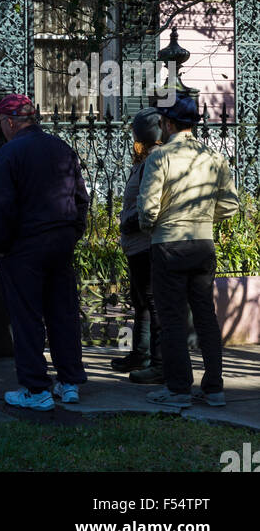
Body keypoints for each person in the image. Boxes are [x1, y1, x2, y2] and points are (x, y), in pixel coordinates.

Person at [0, 94, 89, 412]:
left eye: (0, 122)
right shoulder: (61, 147)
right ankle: (69, 382)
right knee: (63, 312)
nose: (0, 127)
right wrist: (72, 233)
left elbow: (1, 207)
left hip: (24, 246)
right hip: (60, 242)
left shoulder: (9, 153)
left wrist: (0, 245)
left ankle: (36, 388)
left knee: (27, 317)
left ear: (10, 122)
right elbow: (81, 198)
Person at [137, 94, 239, 409]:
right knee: (206, 316)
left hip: (169, 244)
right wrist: (206, 216)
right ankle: (214, 389)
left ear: (168, 124)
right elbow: (231, 205)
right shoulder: (214, 157)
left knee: (172, 318)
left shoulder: (160, 157)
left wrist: (150, 226)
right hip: (203, 243)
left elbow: (148, 207)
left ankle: (178, 388)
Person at [110, 108, 164, 383]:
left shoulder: (154, 159)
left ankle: (157, 362)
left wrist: (127, 222)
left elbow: (149, 203)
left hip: (146, 243)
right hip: (137, 245)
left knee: (152, 302)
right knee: (141, 301)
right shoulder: (146, 159)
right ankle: (140, 354)